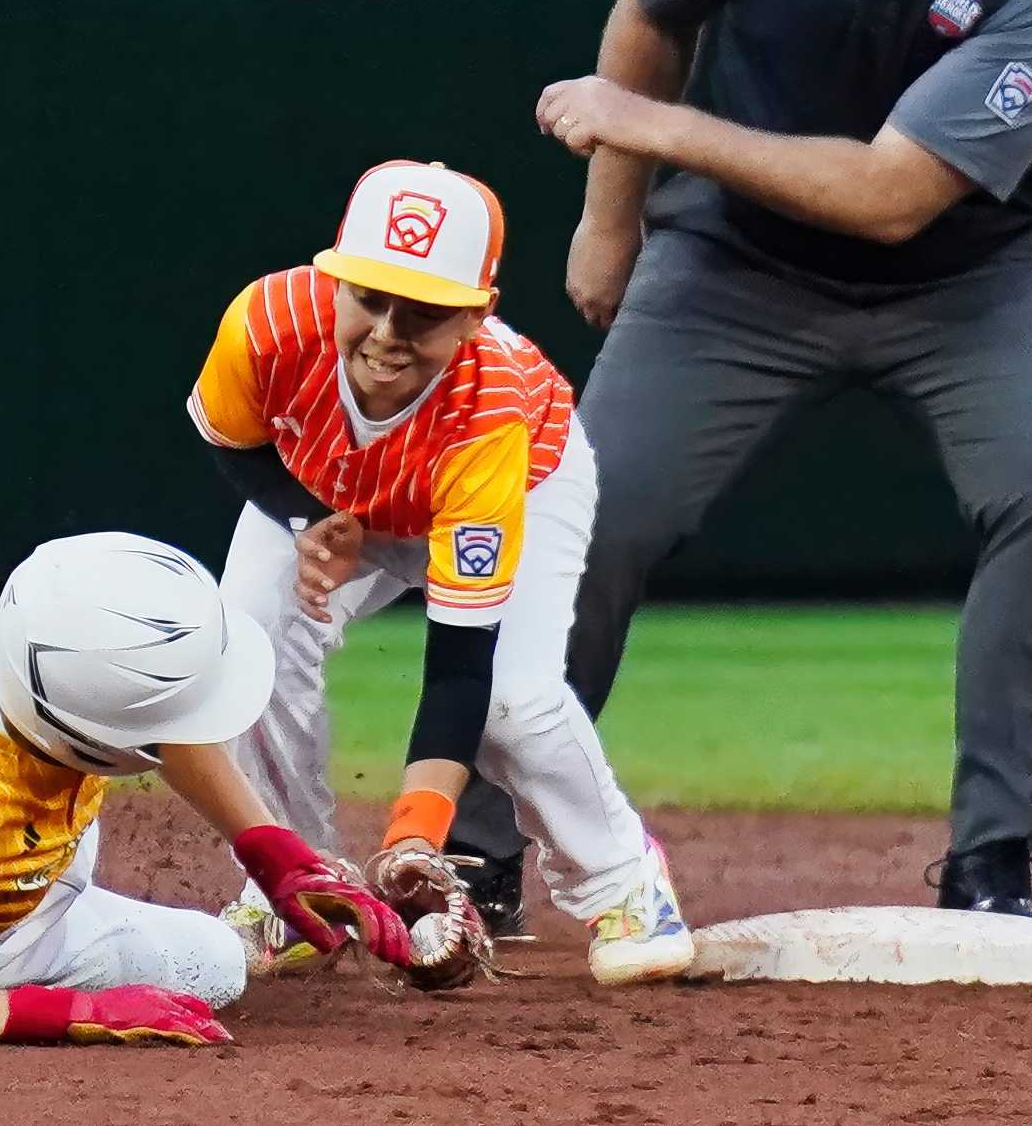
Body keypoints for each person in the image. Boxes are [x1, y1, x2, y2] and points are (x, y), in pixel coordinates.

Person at [450, 0, 1032, 927]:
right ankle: (476, 847)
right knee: (579, 517)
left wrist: (655, 137)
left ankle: (995, 853)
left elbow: (888, 195)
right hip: (732, 269)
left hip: (978, 278)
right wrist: (613, 218)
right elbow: (648, 10)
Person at [187, 160, 694, 986]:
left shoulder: (486, 412)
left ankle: (627, 886)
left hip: (520, 479)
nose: (388, 330)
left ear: (473, 318)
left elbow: (461, 663)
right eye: (369, 297)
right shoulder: (269, 322)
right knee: (243, 649)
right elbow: (232, 440)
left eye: (422, 311)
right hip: (331, 483)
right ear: (335, 281)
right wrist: (310, 522)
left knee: (509, 698)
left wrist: (417, 828)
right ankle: (295, 884)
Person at [0, 531, 414, 1045]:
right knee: (219, 966)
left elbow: (151, 721)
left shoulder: (35, 646)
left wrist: (273, 851)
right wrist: (71, 1014)